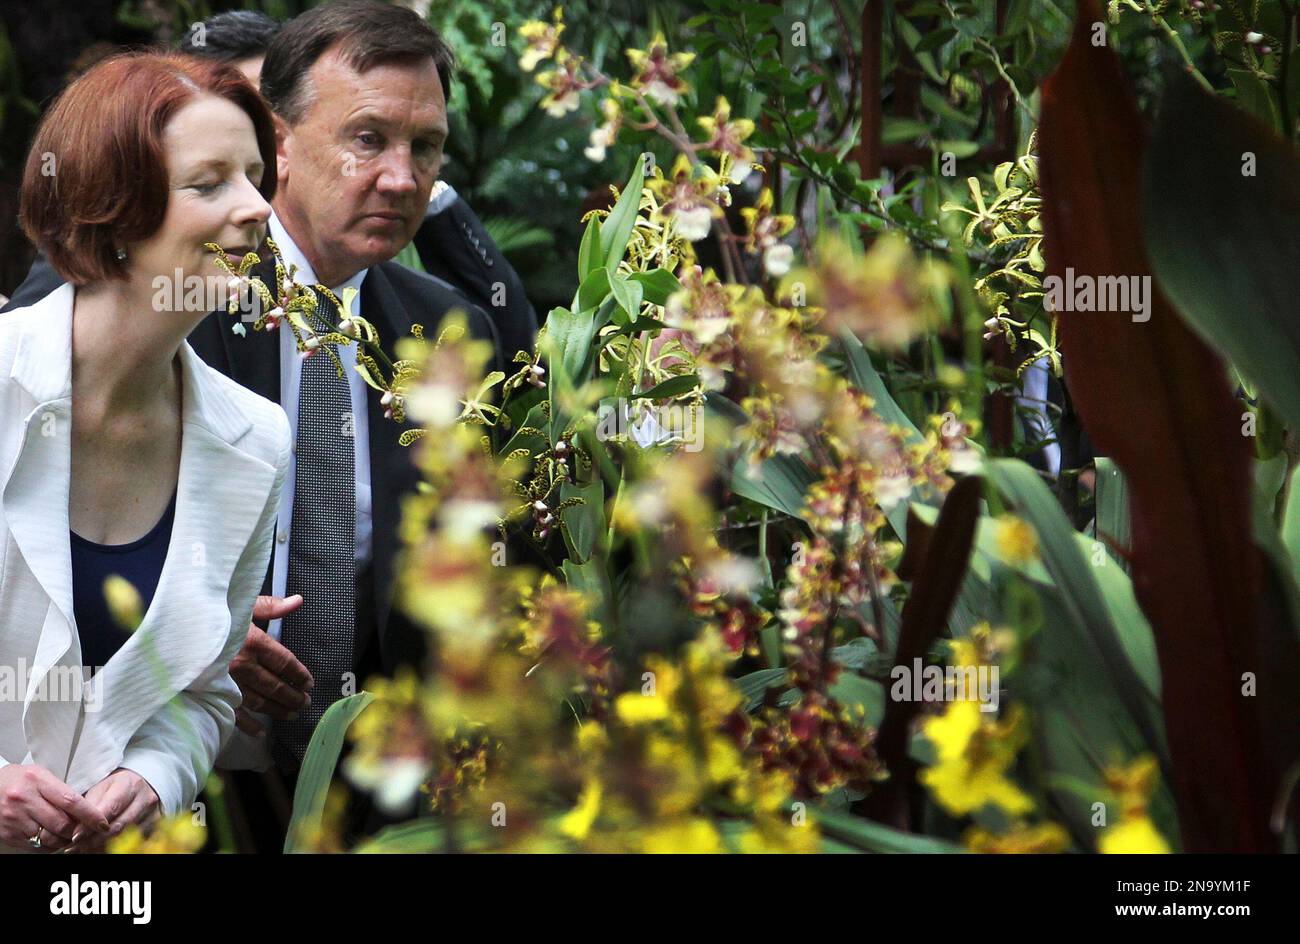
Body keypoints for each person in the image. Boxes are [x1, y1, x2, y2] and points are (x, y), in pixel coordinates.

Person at [0, 52, 291, 853]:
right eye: (210, 184)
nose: (257, 208)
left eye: (257, 177)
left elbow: (204, 692)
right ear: (110, 207)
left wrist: (157, 778)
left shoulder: (256, 439)